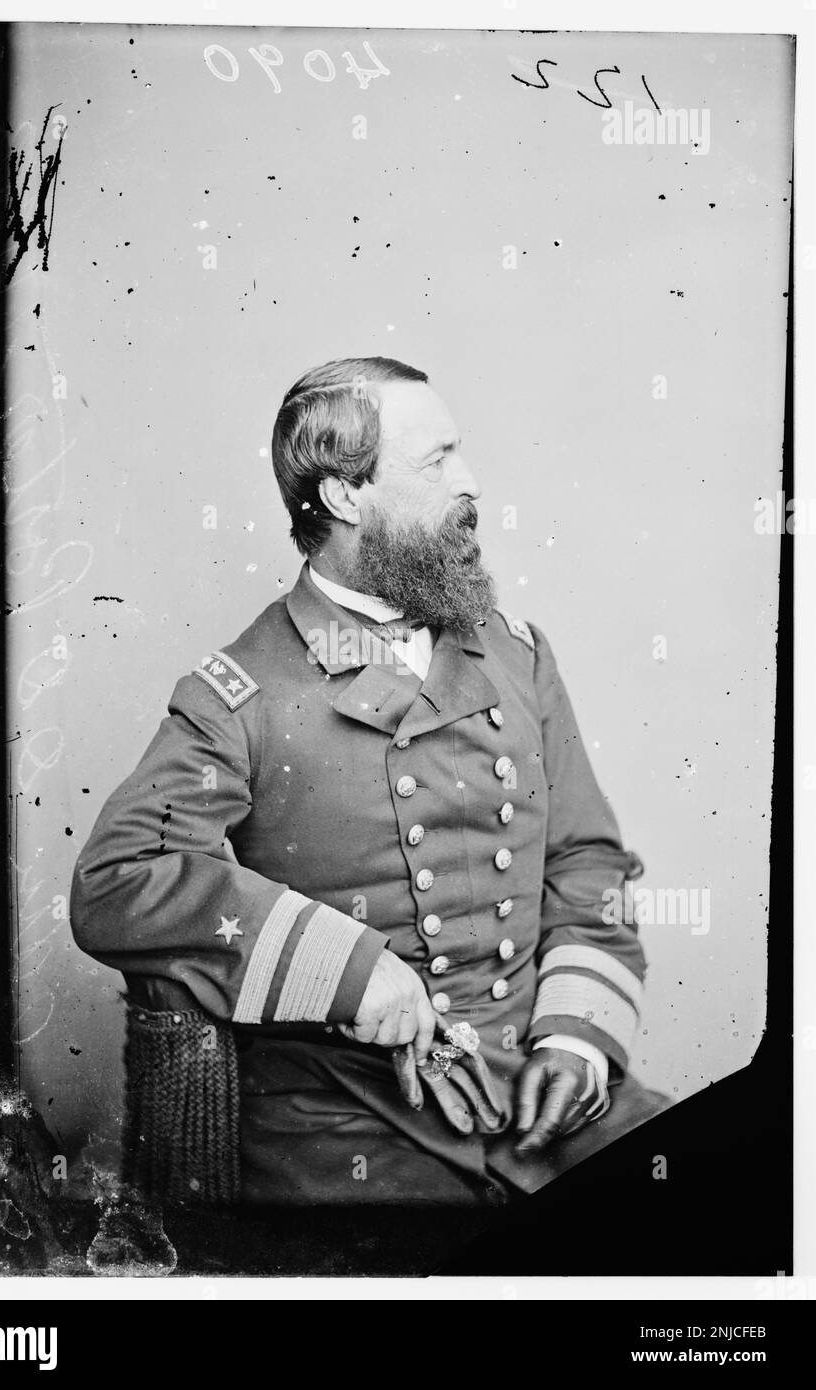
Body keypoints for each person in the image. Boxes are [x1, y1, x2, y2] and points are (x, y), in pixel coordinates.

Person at [70, 356, 667, 1205]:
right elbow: (116, 879)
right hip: (347, 1117)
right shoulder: (243, 693)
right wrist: (352, 970)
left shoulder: (514, 653)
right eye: (436, 463)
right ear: (346, 496)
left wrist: (575, 1038)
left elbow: (588, 862)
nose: (471, 483)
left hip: (532, 1085)